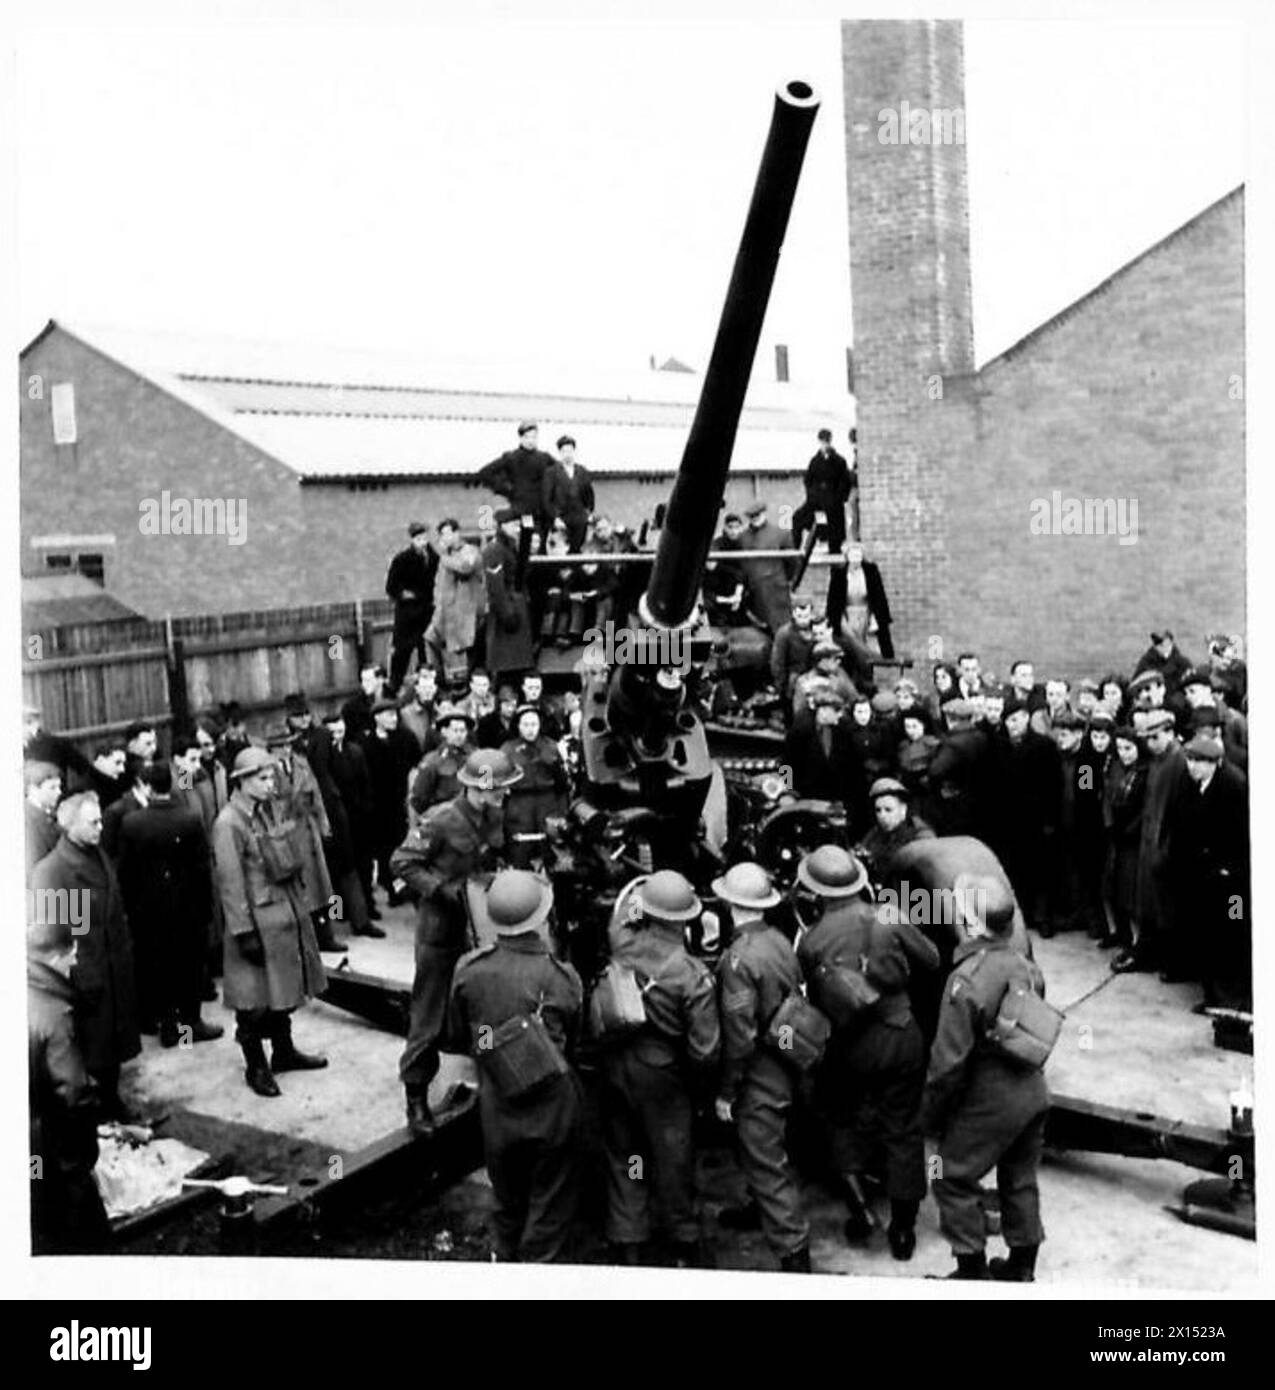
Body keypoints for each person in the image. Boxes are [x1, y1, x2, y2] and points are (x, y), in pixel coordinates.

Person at [795, 846, 939, 1260]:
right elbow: (931, 959)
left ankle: (860, 1211)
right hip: (900, 1034)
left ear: (816, 889)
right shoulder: (889, 914)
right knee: (904, 1129)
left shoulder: (812, 939)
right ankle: (904, 1231)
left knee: (839, 1119)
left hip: (847, 1045)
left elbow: (814, 997)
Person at [447, 870, 584, 1261]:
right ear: (541, 919)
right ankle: (538, 1269)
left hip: (499, 1107)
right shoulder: (562, 977)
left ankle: (506, 1260)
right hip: (553, 1108)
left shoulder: (469, 970)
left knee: (506, 1197)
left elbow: (457, 1035)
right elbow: (575, 1041)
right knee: (551, 1200)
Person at [924, 874, 1050, 1282]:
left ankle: (972, 1272)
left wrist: (930, 1117)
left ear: (971, 922)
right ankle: (1021, 1269)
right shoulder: (1025, 966)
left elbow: (948, 1065)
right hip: (1032, 1092)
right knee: (1019, 1176)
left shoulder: (966, 980)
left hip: (990, 1100)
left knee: (949, 1175)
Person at [392, 748, 521, 1137]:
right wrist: (441, 890)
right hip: (441, 931)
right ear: (479, 789)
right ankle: (416, 1096)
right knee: (429, 1014)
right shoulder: (440, 819)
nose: (504, 795)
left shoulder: (494, 813)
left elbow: (493, 853)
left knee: (483, 1004)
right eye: (499, 789)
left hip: (480, 925)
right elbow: (402, 862)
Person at [598, 870, 721, 1267]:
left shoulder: (623, 941)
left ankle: (629, 1238)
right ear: (686, 918)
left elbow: (621, 913)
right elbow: (705, 1050)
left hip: (616, 1065)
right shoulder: (691, 975)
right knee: (671, 1157)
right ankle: (683, 1241)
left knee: (629, 1153)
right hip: (664, 1078)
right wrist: (702, 1093)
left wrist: (641, 893)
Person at [212, 747, 329, 1098]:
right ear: (241, 781)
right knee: (253, 1000)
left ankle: (283, 1051)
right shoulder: (229, 822)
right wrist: (243, 932)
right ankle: (255, 1066)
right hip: (256, 922)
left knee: (285, 988)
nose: (269, 783)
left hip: (283, 914)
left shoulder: (266, 810)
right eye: (261, 778)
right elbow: (230, 883)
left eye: (270, 776)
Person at [713, 861, 812, 1274]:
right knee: (766, 1148)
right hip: (788, 1061)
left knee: (765, 1161)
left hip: (759, 1074)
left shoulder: (739, 960)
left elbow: (739, 1038)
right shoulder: (779, 940)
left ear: (731, 904)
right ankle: (759, 1209)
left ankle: (795, 1255)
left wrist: (726, 1093)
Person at [31, 792, 140, 1120]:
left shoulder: (97, 853)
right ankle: (98, 1113)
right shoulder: (54, 871)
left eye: (100, 820)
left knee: (113, 1049)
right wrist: (80, 977)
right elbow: (54, 939)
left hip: (113, 969)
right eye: (93, 822)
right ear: (70, 825)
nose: (100, 826)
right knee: (93, 1052)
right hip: (87, 978)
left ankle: (111, 1101)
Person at [116, 763, 223, 1047]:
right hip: (188, 910)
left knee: (157, 967)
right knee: (189, 966)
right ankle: (192, 1023)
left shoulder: (132, 823)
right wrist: (206, 908)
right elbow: (203, 870)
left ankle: (167, 1025)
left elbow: (125, 873)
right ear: (170, 786)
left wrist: (131, 909)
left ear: (148, 788)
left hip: (148, 913)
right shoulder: (190, 819)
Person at [28, 911, 112, 1255]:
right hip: (54, 1142)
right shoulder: (56, 1013)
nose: (76, 957)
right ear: (54, 957)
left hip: (31, 1142)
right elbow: (72, 1093)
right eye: (71, 951)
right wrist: (89, 1144)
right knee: (85, 1229)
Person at [1170, 735, 1250, 1011]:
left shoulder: (1233, 786)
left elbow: (1242, 834)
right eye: (1190, 760)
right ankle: (1213, 995)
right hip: (1201, 874)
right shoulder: (1191, 784)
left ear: (1214, 763)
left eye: (1199, 762)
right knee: (1207, 934)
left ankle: (1233, 996)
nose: (1192, 767)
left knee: (1231, 934)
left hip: (1230, 881)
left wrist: (1229, 869)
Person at [264, 723, 345, 954]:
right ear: (271, 750)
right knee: (299, 892)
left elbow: (316, 795)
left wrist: (323, 824)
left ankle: (327, 933)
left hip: (308, 832)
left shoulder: (301, 764)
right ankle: (304, 940)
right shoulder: (267, 773)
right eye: (280, 746)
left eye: (288, 744)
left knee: (323, 885)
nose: (286, 750)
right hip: (285, 838)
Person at [1135, 710, 1188, 977]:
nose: (1151, 743)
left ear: (1169, 732)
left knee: (1168, 909)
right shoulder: (1158, 760)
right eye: (1147, 738)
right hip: (1150, 840)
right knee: (1151, 906)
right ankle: (1152, 956)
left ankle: (1173, 963)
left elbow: (1176, 811)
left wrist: (1164, 848)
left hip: (1164, 845)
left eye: (1155, 737)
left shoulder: (1178, 761)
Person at [364, 698, 423, 907]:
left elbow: (417, 764)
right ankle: (391, 889)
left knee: (406, 846)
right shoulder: (367, 743)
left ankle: (408, 886)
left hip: (403, 800)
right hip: (380, 807)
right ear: (377, 718)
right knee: (385, 850)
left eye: (395, 714)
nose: (394, 718)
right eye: (388, 715)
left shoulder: (406, 738)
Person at [501, 706, 569, 868]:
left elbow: (563, 784)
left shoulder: (552, 747)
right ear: (518, 726)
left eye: (534, 724)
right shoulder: (507, 749)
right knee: (520, 851)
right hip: (519, 802)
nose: (530, 729)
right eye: (525, 725)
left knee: (550, 850)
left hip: (548, 801)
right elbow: (490, 780)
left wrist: (563, 812)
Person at [1105, 727, 1147, 967]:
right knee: (1117, 889)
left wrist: (1130, 829)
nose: (1124, 753)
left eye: (1129, 748)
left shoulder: (1144, 772)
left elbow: (1145, 807)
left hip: (1134, 839)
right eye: (1120, 748)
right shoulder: (1115, 768)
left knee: (1133, 895)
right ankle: (1124, 938)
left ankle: (1136, 944)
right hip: (1118, 837)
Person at [425, 518, 483, 684]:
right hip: (446, 614)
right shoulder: (447, 556)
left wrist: (444, 558)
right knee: (431, 640)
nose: (444, 538)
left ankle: (468, 684)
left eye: (447, 534)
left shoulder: (470, 551)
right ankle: (439, 682)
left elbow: (466, 567)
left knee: (468, 654)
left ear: (457, 533)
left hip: (466, 614)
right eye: (442, 535)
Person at [474, 420, 557, 536]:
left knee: (541, 545)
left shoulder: (545, 458)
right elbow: (485, 473)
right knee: (523, 543)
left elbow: (561, 475)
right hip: (520, 509)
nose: (530, 440)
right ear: (521, 438)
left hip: (541, 512)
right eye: (527, 437)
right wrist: (506, 490)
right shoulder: (512, 458)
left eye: (534, 437)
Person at [385, 520, 440, 694]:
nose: (422, 541)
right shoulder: (402, 560)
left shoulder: (434, 558)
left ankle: (430, 683)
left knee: (427, 650)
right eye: (418, 538)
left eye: (424, 537)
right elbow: (391, 587)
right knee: (402, 651)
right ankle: (394, 684)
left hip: (427, 612)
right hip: (408, 614)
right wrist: (405, 594)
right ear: (412, 539)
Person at [483, 508, 536, 682]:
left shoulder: (511, 547)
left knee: (517, 664)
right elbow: (496, 586)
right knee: (505, 663)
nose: (517, 529)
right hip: (507, 613)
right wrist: (507, 614)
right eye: (513, 525)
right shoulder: (495, 550)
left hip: (517, 606)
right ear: (503, 526)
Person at [408, 702, 477, 824]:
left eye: (463, 730)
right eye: (455, 730)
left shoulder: (477, 756)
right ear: (444, 732)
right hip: (444, 819)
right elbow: (418, 798)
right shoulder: (432, 760)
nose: (459, 735)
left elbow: (488, 788)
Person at [826, 541, 894, 662]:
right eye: (853, 556)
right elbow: (833, 600)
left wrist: (876, 617)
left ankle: (868, 667)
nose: (856, 559)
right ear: (847, 556)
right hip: (847, 615)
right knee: (850, 644)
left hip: (865, 613)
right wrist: (835, 619)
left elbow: (879, 596)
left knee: (865, 644)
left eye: (859, 556)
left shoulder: (871, 571)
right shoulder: (839, 573)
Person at [854, 778, 935, 880]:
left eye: (888, 810)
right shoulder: (875, 833)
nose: (882, 816)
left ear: (903, 810)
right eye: (878, 810)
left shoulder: (922, 836)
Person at [739, 500, 796, 636]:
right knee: (759, 631)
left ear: (764, 514)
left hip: (776, 590)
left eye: (757, 516)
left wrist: (784, 580)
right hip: (754, 591)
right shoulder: (743, 538)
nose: (755, 520)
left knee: (782, 629)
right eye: (752, 517)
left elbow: (792, 562)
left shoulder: (781, 534)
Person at [792, 427, 852, 552]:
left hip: (833, 503)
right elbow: (808, 480)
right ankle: (794, 551)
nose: (824, 445)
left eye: (826, 442)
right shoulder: (815, 461)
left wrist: (837, 499)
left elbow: (845, 483)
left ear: (830, 442)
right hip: (816, 501)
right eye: (822, 442)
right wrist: (813, 496)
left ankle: (834, 553)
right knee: (797, 518)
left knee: (834, 535)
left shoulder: (839, 461)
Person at [543, 435, 596, 550]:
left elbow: (589, 495)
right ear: (560, 452)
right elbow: (546, 499)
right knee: (561, 551)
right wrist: (555, 518)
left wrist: (589, 513)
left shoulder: (582, 471)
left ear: (574, 451)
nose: (567, 454)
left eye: (570, 450)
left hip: (580, 518)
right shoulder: (551, 473)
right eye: (564, 451)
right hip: (561, 520)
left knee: (578, 549)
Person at [769, 594, 817, 713]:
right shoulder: (784, 634)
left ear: (811, 614)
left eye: (806, 616)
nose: (803, 620)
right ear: (793, 614)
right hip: (793, 680)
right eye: (799, 616)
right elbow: (777, 663)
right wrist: (781, 687)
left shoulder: (817, 631)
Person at [24, 760, 62, 881]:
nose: (59, 792)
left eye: (59, 787)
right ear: (33, 789)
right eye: (52, 788)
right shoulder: (26, 821)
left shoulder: (51, 813)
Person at [1132, 628, 1192, 693]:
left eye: (1167, 644)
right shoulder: (1147, 661)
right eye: (1159, 644)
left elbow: (1192, 682)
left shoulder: (1182, 663)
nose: (1163, 648)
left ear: (1171, 643)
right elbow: (1135, 683)